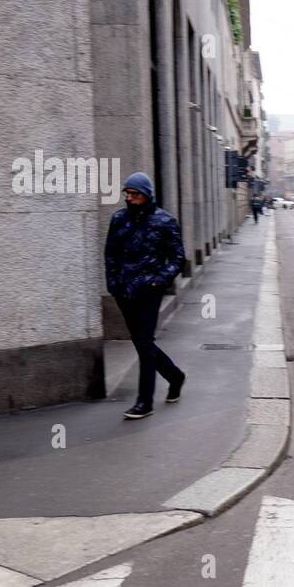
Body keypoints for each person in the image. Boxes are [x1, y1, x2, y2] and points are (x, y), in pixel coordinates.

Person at [104, 172, 187, 420]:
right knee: (143, 344)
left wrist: (159, 280)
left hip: (149, 291)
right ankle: (175, 376)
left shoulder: (165, 221)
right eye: (127, 194)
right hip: (124, 292)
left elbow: (177, 258)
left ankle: (145, 402)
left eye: (135, 194)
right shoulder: (118, 219)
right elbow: (110, 255)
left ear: (147, 195)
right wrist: (113, 284)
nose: (130, 198)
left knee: (144, 342)